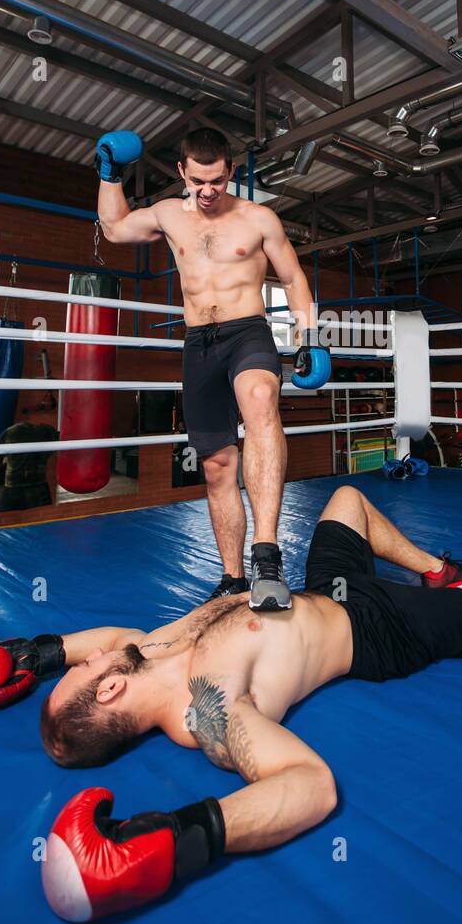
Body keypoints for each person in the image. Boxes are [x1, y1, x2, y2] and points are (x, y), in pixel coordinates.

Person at [0, 487, 462, 921]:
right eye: (82, 670)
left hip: (329, 588)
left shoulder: (148, 648)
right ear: (112, 689)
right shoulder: (209, 711)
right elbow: (308, 787)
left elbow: (109, 636)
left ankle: (438, 568)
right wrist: (176, 838)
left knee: (347, 497)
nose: (91, 657)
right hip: (380, 632)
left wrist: (33, 658)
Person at [95, 126, 328, 610]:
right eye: (198, 181)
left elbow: (292, 278)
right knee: (218, 465)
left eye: (217, 181)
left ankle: (267, 554)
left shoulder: (259, 218)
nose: (206, 191)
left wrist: (313, 338)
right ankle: (233, 576)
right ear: (182, 171)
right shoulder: (168, 215)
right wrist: (110, 173)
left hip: (249, 333)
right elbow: (115, 229)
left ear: (231, 173)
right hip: (199, 342)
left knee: (261, 404)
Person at [0, 421, 59, 512]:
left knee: (5, 521)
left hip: (14, 484)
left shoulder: (10, 432)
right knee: (41, 520)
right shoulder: (48, 431)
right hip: (39, 485)